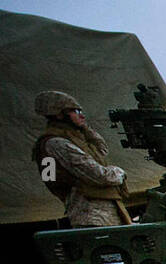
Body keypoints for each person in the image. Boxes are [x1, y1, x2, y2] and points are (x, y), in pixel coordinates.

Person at [31, 90, 130, 226]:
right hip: (91, 213)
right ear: (60, 115)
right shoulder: (57, 142)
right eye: (76, 112)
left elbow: (101, 150)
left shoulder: (73, 137)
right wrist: (119, 172)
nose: (82, 115)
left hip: (102, 210)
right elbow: (99, 176)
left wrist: (85, 128)